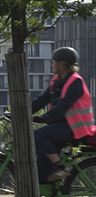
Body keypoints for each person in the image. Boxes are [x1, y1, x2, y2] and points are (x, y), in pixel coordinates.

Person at [32, 46, 94, 185]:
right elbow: (42, 100)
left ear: (62, 64)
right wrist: (20, 113)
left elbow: (65, 105)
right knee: (41, 163)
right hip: (61, 126)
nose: (52, 64)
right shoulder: (56, 81)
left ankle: (60, 167)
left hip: (76, 129)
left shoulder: (75, 82)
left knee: (38, 135)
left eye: (53, 62)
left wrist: (45, 117)